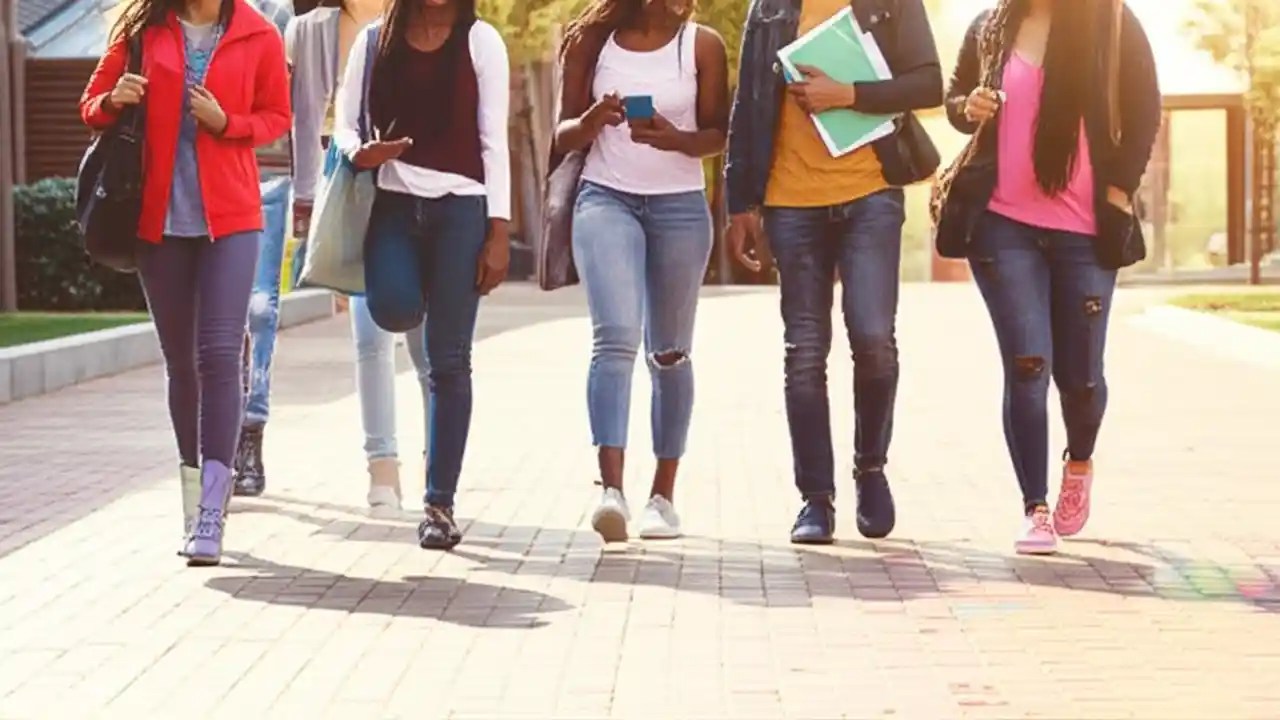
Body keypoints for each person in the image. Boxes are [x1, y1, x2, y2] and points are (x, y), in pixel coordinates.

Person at [943, 0, 1159, 554]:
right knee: (1027, 364)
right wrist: (970, 105)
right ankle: (1034, 508)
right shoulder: (991, 26)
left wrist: (1119, 187)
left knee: (1081, 378)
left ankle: (1080, 460)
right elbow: (955, 98)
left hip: (1084, 231)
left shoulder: (1112, 23)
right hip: (1002, 225)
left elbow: (1144, 113)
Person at [724, 0, 942, 545]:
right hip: (790, 200)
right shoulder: (770, 8)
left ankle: (870, 470)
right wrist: (740, 202)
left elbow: (929, 84)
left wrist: (849, 96)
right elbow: (749, 103)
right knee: (804, 351)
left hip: (871, 191)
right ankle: (815, 499)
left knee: (873, 339)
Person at [80, 0, 290, 565]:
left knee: (220, 354)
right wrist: (111, 100)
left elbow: (278, 116)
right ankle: (193, 500)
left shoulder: (258, 33)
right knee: (182, 363)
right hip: (158, 223)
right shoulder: (142, 31)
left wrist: (230, 124)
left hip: (233, 220)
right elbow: (91, 105)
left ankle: (214, 514)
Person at [333, 0, 510, 548]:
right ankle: (430, 298)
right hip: (392, 203)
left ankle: (439, 504)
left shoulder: (481, 42)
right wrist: (359, 152)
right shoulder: (374, 41)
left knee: (449, 360)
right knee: (393, 307)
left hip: (462, 209)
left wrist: (498, 231)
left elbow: (493, 141)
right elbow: (344, 121)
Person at [553, 0, 728, 542]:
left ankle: (663, 497)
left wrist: (673, 137)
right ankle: (610, 492)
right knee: (616, 338)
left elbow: (720, 134)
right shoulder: (590, 39)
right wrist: (591, 121)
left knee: (670, 352)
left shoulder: (702, 45)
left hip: (680, 206)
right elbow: (562, 136)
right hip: (606, 198)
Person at [283, 0, 432, 517]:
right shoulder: (312, 31)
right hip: (355, 188)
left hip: (423, 188)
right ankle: (382, 467)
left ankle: (438, 468)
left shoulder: (428, 19)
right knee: (371, 338)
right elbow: (306, 122)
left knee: (428, 343)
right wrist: (307, 201)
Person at [227, 0, 292, 499]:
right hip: (202, 177)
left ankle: (251, 431)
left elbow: (304, 109)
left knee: (260, 308)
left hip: (269, 174)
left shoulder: (289, 18)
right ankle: (215, 440)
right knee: (211, 317)